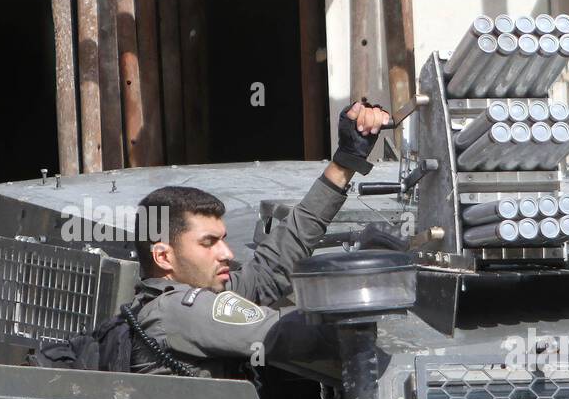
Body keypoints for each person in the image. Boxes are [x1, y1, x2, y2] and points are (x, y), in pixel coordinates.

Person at [127, 101, 390, 377]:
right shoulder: (180, 312)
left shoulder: (174, 299)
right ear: (163, 257)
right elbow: (293, 336)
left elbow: (268, 271)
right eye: (208, 243)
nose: (227, 253)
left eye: (223, 240)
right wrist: (371, 281)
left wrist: (344, 163)